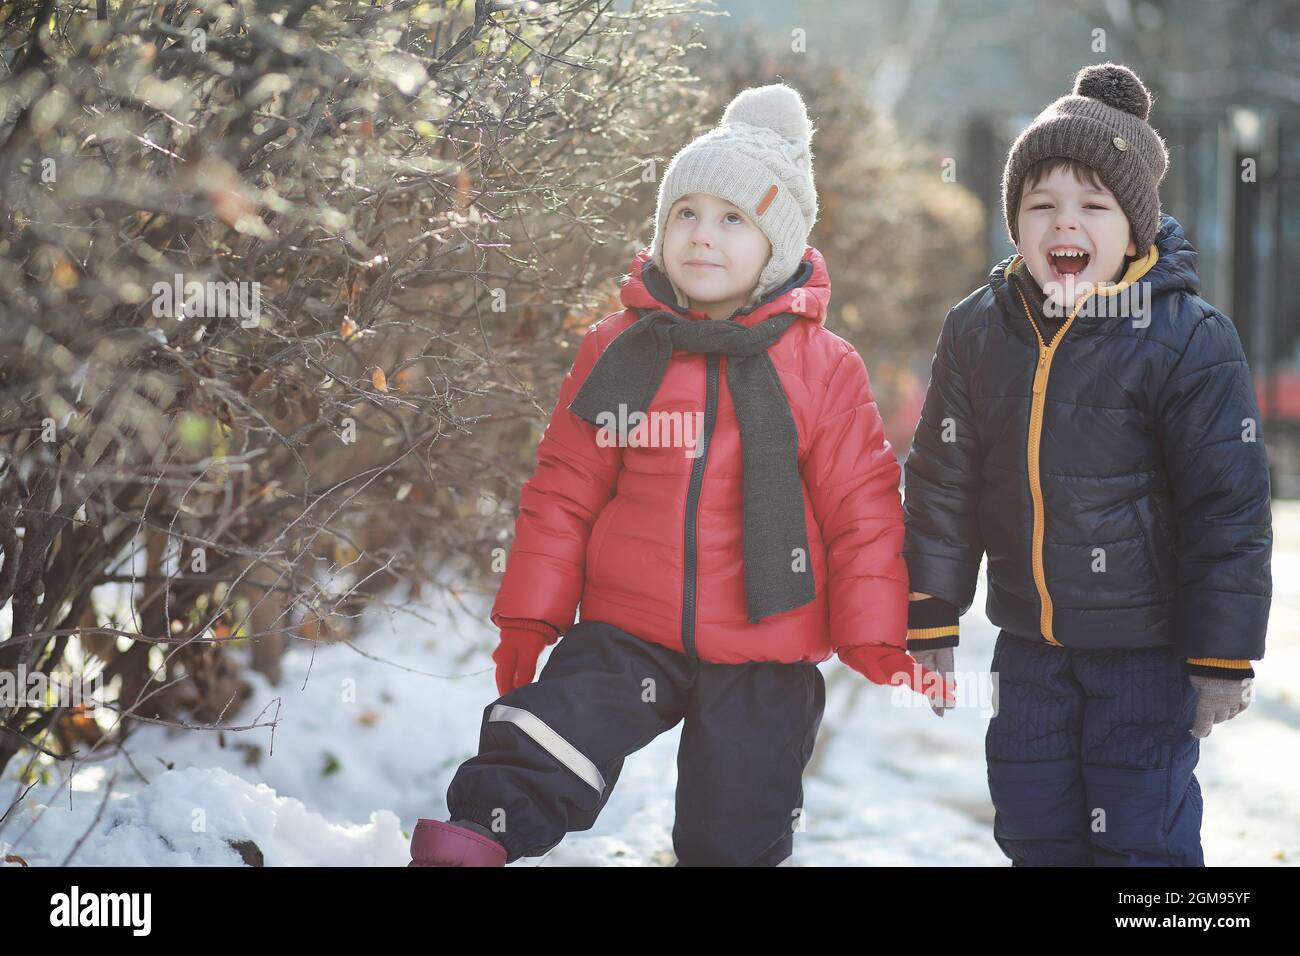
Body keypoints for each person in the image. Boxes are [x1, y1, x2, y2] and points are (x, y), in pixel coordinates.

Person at [409, 83, 952, 867]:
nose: (702, 235)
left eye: (733, 219)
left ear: (778, 248)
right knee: (552, 731)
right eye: (685, 214)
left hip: (769, 643)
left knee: (735, 825)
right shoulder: (620, 347)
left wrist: (874, 632)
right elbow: (565, 490)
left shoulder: (824, 367)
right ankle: (478, 839)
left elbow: (862, 512)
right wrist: (530, 615)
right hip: (630, 627)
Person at [903, 63, 1272, 866]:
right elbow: (942, 477)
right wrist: (931, 607)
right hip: (1028, 649)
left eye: (1094, 205)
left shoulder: (1186, 336)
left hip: (1147, 653)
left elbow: (1227, 506)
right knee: (1033, 824)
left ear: (1134, 230)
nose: (1064, 221)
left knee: (1139, 835)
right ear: (1016, 224)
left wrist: (1221, 652)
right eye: (1042, 205)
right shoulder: (979, 328)